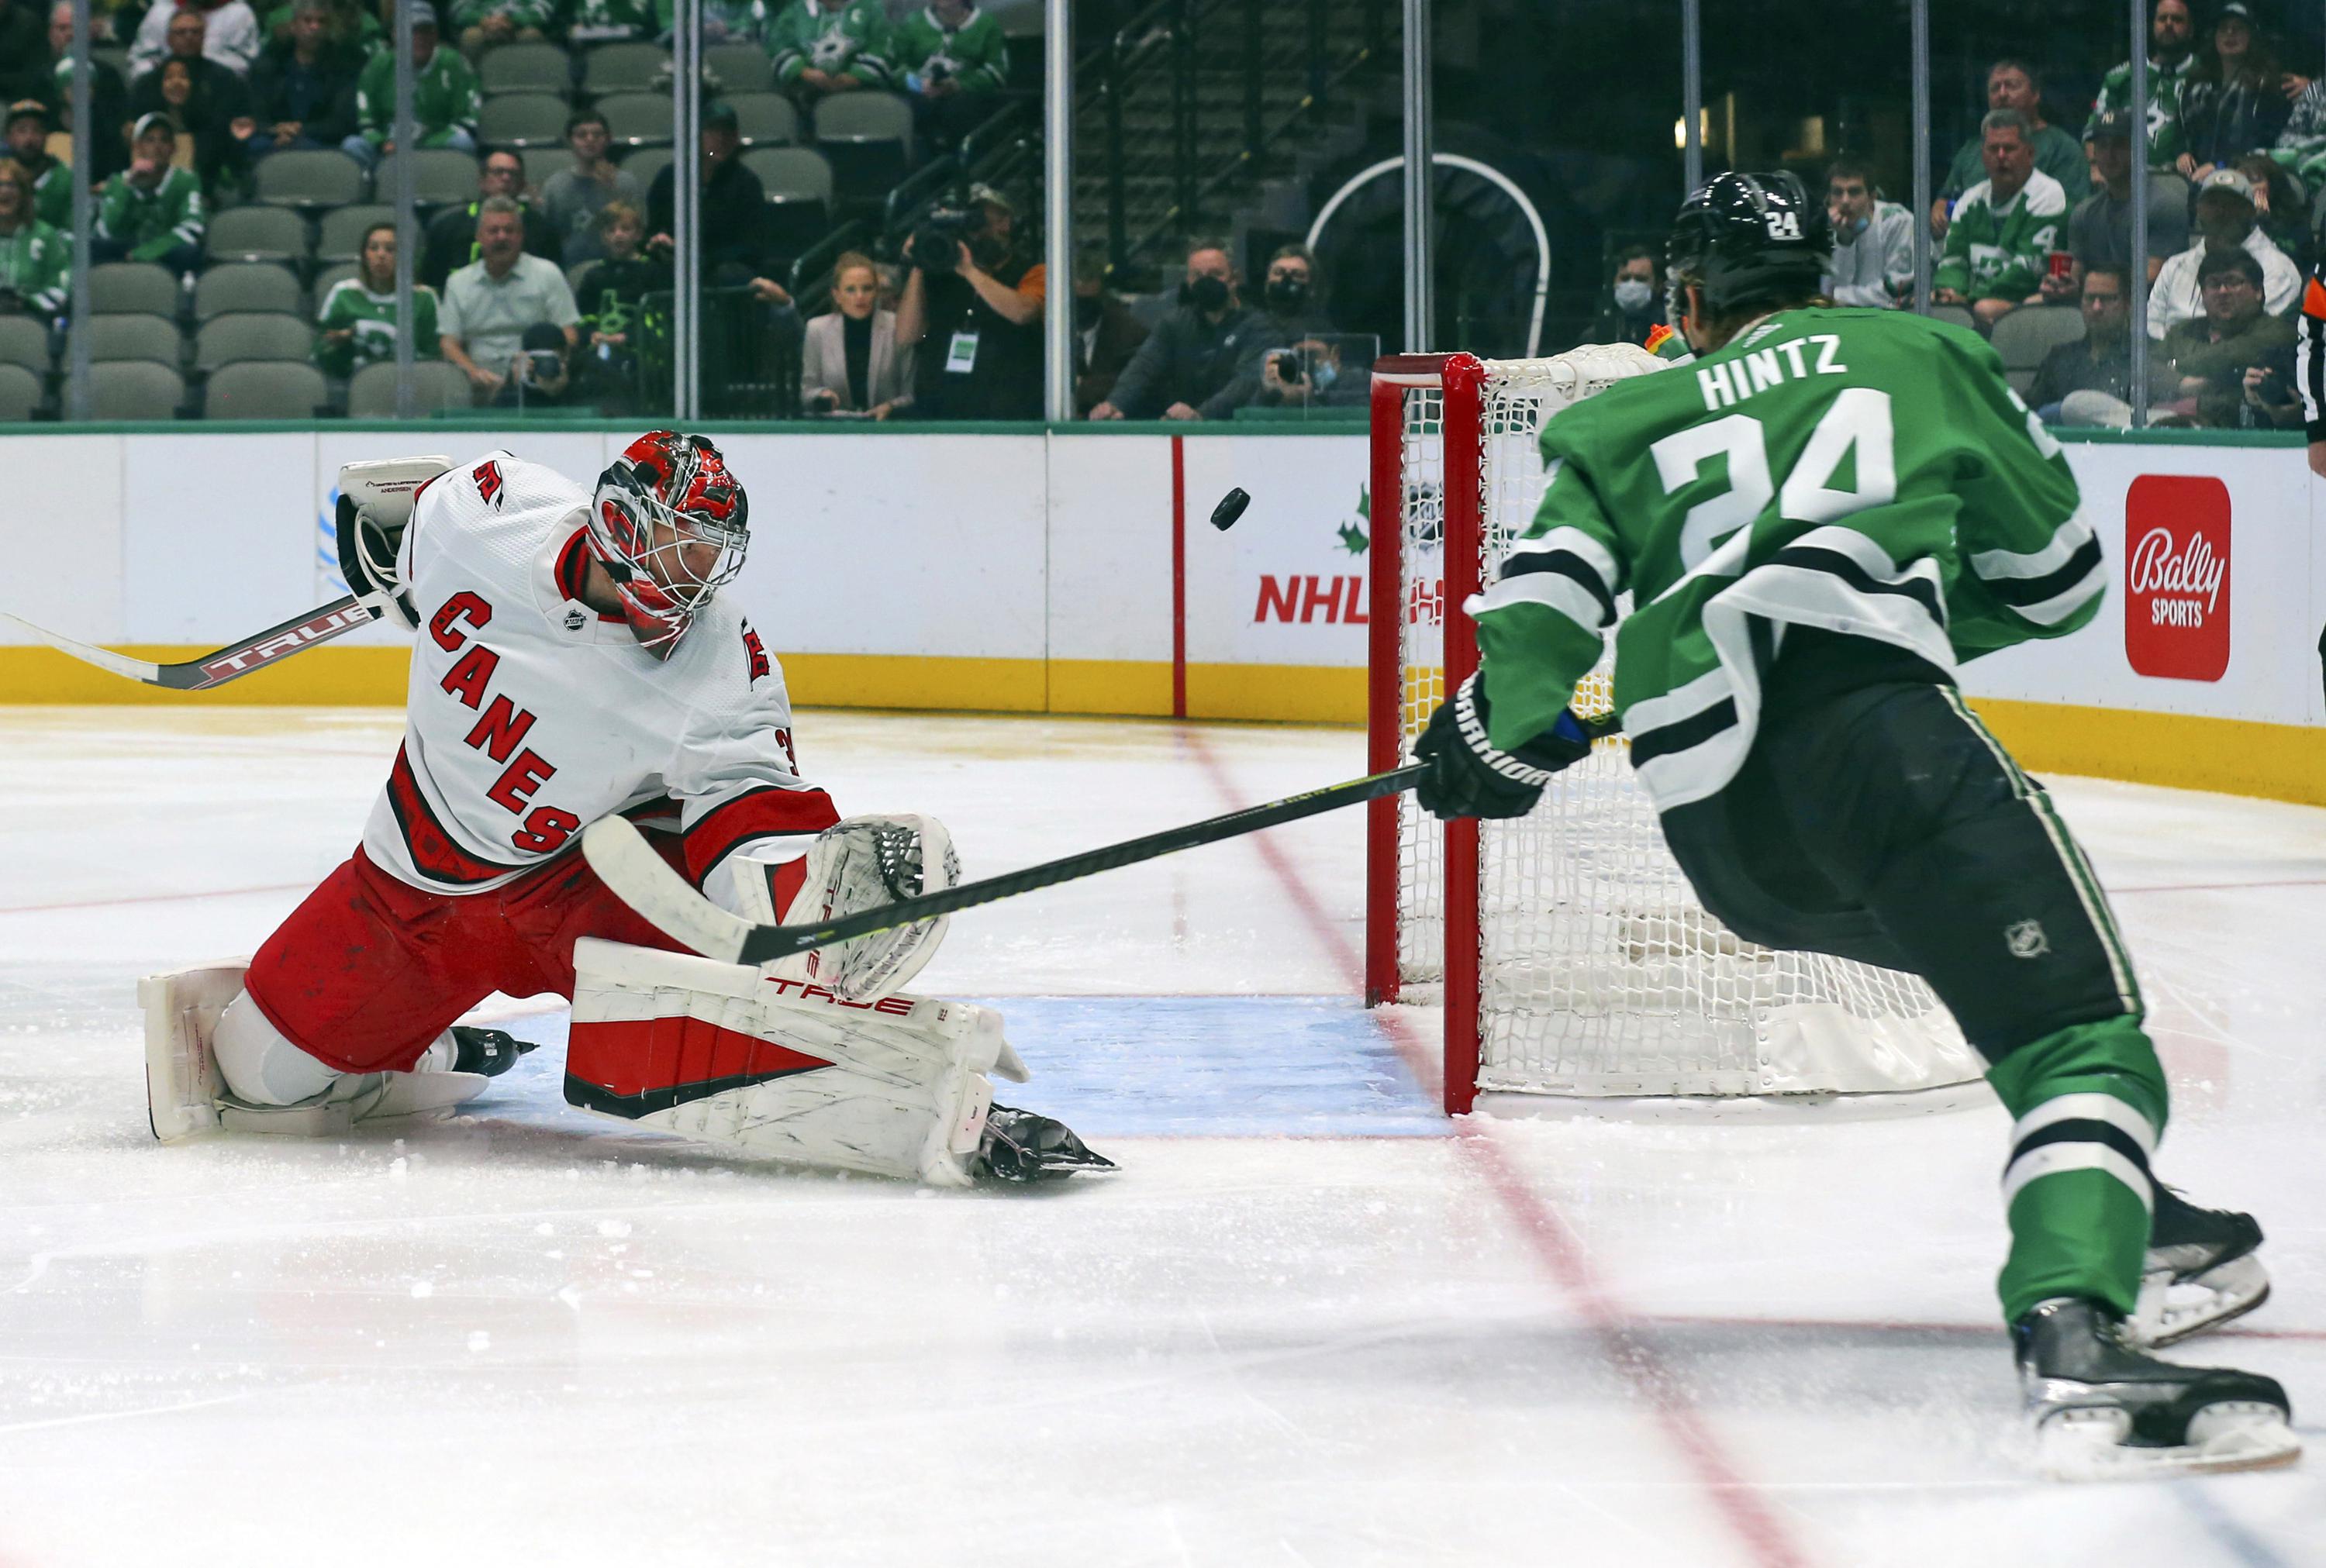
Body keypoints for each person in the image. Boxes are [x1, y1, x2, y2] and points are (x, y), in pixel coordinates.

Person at [1411, 168, 2296, 1479]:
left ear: (1692, 297)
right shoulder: (1920, 349)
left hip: (1724, 836)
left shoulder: (1627, 415)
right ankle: (2075, 1328)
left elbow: (1542, 604)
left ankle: (2129, 1209)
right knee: (2080, 1032)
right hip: (1879, 742)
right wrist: (1911, 600)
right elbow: (2059, 584)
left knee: (1995, 971)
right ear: (1823, 276)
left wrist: (1496, 729)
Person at [140, 434, 1110, 1187]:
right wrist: (376, 539)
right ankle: (434, 1044)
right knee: (254, 1073)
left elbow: (752, 815)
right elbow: (399, 505)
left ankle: (911, 1095)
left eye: (710, 557)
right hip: (406, 891)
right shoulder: (487, 518)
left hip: (578, 890)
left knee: (746, 1004)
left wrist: (814, 904)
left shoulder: (721, 659)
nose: (694, 579)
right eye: (681, 546)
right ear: (619, 521)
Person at [894, 182, 1043, 419]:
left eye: (978, 222)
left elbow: (1023, 312)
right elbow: (907, 335)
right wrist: (920, 262)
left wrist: (969, 271)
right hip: (940, 409)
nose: (974, 234)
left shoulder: (1032, 271)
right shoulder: (939, 275)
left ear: (1005, 223)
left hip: (1007, 413)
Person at [1088, 238, 1258, 420]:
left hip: (1238, 434)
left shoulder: (1257, 326)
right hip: (1180, 427)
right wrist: (1114, 404)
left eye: (1215, 274)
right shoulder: (1174, 323)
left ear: (1235, 279)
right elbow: (1144, 366)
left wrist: (1201, 414)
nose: (1206, 281)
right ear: (1188, 281)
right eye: (1198, 276)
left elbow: (1245, 382)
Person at [437, 195, 579, 402]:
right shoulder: (458, 282)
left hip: (535, 386)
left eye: (509, 231)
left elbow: (570, 334)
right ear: (479, 236)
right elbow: (448, 344)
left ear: (521, 236)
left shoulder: (547, 274)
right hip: (477, 387)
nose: (501, 237)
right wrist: (474, 373)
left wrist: (542, 361)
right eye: (493, 231)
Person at [1933, 109, 2067, 327]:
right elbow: (1953, 260)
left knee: (1985, 309)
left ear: (2030, 154)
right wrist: (1950, 293)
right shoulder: (1970, 200)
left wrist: (1967, 299)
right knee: (1934, 304)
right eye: (1993, 149)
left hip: (2029, 300)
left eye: (2010, 148)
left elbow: (2027, 271)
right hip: (1974, 301)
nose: (2001, 156)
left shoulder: (2048, 195)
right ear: (1982, 154)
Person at [1934, 59, 2089, 239]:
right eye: (1995, 88)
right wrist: (1939, 208)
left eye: (2012, 86)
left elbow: (2072, 214)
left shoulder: (2063, 148)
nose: (2002, 94)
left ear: (2035, 94)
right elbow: (1947, 196)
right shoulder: (1972, 148)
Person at [2055, 109, 2190, 305]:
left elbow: (2150, 279)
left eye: (2119, 145)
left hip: (2151, 311)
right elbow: (2073, 273)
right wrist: (2060, 284)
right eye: (2102, 146)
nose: (2109, 155)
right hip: (2097, 306)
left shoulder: (2165, 206)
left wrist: (2088, 287)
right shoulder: (2084, 212)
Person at [2147, 167, 2300, 338]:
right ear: (2198, 210)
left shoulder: (2278, 269)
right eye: (2213, 204)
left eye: (2232, 204)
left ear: (2250, 211)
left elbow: (2260, 335)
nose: (2221, 212)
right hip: (2168, 359)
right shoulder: (2175, 266)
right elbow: (2151, 323)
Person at [2159, 245, 2296, 426]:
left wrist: (2176, 366)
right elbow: (2147, 370)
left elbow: (2230, 359)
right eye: (2214, 284)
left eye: (2233, 282)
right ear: (2203, 293)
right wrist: (2180, 383)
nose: (2223, 291)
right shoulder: (2182, 331)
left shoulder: (2279, 332)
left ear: (2258, 291)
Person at [343, 2, 479, 175]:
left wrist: (423, 145)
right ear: (395, 34)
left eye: (425, 30)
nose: (419, 37)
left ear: (435, 34)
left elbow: (467, 122)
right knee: (352, 145)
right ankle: (375, 184)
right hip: (388, 147)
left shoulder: (455, 64)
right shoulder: (377, 66)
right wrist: (383, 142)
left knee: (462, 142)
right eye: (411, 31)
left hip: (436, 146)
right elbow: (367, 122)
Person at [1203, 242, 1334, 417]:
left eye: (1296, 275)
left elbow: (1341, 390)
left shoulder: (1326, 334)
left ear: (1311, 285)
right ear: (1267, 281)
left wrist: (1325, 375)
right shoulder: (1245, 326)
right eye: (1279, 273)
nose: (1286, 280)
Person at [2027, 265, 2162, 426]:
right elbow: (2030, 414)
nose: (2097, 307)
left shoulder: (2149, 356)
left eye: (2107, 299)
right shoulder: (2060, 358)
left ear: (2128, 304)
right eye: (2090, 298)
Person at [571, 199, 668, 412]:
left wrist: (628, 337)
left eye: (625, 229)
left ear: (638, 234)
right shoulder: (594, 275)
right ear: (603, 236)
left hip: (640, 352)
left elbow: (657, 317)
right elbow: (584, 315)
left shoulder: (651, 271)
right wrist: (592, 334)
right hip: (601, 350)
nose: (618, 234)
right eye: (611, 230)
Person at [313, 219, 441, 380]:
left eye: (391, 249)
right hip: (351, 383)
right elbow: (320, 352)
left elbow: (434, 358)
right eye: (374, 248)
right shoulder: (343, 293)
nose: (381, 255)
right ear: (364, 255)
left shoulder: (424, 298)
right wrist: (337, 345)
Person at [2177, 0, 2288, 184]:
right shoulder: (2195, 85)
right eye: (2223, 28)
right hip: (2194, 175)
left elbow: (2263, 142)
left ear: (2252, 37)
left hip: (2245, 175)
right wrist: (2182, 154)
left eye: (2238, 28)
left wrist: (2219, 165)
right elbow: (2180, 131)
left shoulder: (2267, 86)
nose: (2230, 33)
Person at [420, 147, 559, 292]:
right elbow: (431, 285)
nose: (506, 178)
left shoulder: (542, 228)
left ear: (522, 184)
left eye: (513, 174)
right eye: (498, 172)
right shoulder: (447, 225)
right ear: (482, 181)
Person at [2090, 0, 2200, 172]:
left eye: (2177, 19)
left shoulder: (2204, 74)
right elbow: (2094, 130)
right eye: (2162, 19)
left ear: (2191, 30)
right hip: (2127, 178)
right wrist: (2095, 168)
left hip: (2183, 179)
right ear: (2152, 26)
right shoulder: (2121, 77)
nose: (2169, 24)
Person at [801, 250, 912, 418]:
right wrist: (822, 395)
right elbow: (807, 392)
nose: (860, 297)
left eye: (867, 288)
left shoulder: (897, 326)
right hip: (836, 431)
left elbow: (911, 394)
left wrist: (891, 407)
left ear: (877, 292)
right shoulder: (817, 329)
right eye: (851, 290)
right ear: (837, 295)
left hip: (887, 429)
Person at [243, 0, 361, 158]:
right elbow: (255, 112)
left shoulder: (342, 66)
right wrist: (275, 131)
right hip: (272, 137)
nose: (314, 27)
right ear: (293, 26)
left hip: (320, 141)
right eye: (307, 20)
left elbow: (341, 122)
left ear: (329, 28)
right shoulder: (270, 64)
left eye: (322, 22)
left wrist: (300, 130)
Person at [93, 112, 206, 272]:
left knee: (190, 252)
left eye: (164, 140)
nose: (157, 146)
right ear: (137, 146)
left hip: (166, 252)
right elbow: (106, 232)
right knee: (93, 247)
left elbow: (193, 226)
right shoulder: (120, 181)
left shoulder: (186, 180)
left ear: (173, 148)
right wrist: (129, 187)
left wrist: (147, 253)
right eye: (150, 140)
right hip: (126, 251)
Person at [887, 0, 1006, 143]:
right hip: (919, 98)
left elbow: (996, 73)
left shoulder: (987, 25)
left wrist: (958, 84)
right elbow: (893, 68)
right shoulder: (913, 22)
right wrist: (919, 84)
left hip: (965, 103)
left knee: (960, 108)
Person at [539, 109, 640, 267]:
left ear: (608, 139)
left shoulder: (626, 183)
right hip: (570, 270)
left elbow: (638, 230)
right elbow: (547, 239)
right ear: (569, 141)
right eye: (582, 135)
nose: (590, 140)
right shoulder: (555, 186)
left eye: (597, 135)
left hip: (620, 268)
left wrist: (612, 192)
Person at [43, 3, 131, 182]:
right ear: (51, 33)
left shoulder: (108, 76)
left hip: (102, 171)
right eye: (62, 28)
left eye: (76, 27)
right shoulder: (39, 79)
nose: (70, 34)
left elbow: (118, 131)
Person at [1823, 154, 1911, 308]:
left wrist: (1836, 297)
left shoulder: (1898, 221)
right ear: (1828, 198)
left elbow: (1895, 296)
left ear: (1872, 197)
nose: (1845, 201)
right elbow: (1826, 293)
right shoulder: (1824, 228)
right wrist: (1844, 241)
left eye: (1854, 192)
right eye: (1837, 192)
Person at [1069, 244, 1147, 417]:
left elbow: (1133, 383)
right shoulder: (1048, 332)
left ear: (1103, 294)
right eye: (1077, 302)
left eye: (1089, 302)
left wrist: (1079, 385)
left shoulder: (1130, 333)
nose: (1083, 311)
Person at [763, 0, 892, 101]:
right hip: (802, 94)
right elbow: (779, 44)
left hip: (862, 93)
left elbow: (881, 45)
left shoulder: (871, 8)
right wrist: (803, 71)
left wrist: (856, 76)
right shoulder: (796, 10)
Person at [0, 156, 68, 318]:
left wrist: (26, 304)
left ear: (24, 194)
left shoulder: (46, 235)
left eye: (12, 185)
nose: (4, 191)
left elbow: (61, 286)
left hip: (35, 324)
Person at [128, 0, 260, 80]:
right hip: (163, 91)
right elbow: (140, 63)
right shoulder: (160, 13)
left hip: (220, 92)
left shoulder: (239, 13)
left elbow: (246, 66)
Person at [6, 99, 73, 231]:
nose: (29, 138)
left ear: (47, 135)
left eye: (37, 130)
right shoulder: (3, 174)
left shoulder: (66, 178)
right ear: (8, 137)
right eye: (22, 130)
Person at [1584, 245, 1665, 346]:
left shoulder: (1669, 336)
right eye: (1625, 278)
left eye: (1640, 279)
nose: (1631, 285)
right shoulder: (1594, 336)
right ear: (1614, 282)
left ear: (1658, 285)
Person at [450, 0, 552, 57]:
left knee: (531, 36)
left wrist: (513, 21)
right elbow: (459, 9)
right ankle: (475, 86)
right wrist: (482, 20)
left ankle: (529, 87)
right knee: (471, 37)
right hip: (481, 26)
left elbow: (543, 9)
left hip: (519, 26)